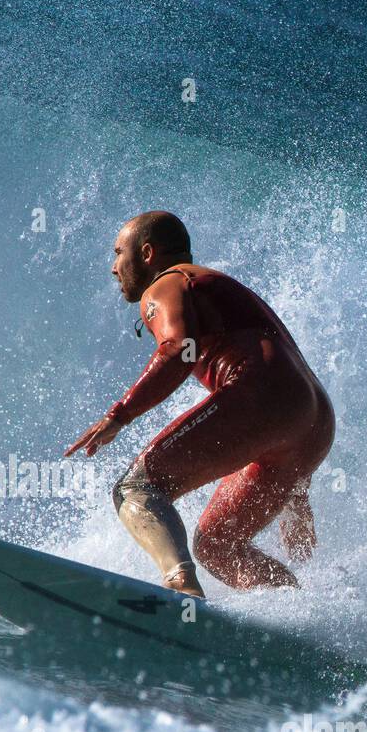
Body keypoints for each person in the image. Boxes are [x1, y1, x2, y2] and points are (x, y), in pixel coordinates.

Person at [64, 211, 335, 597]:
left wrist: (118, 415)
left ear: (146, 253)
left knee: (137, 488)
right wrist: (295, 489)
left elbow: (177, 349)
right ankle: (297, 612)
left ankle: (181, 587)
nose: (113, 268)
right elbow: (283, 386)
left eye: (118, 253)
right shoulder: (213, 285)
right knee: (217, 545)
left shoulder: (167, 284)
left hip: (263, 396)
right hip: (314, 421)